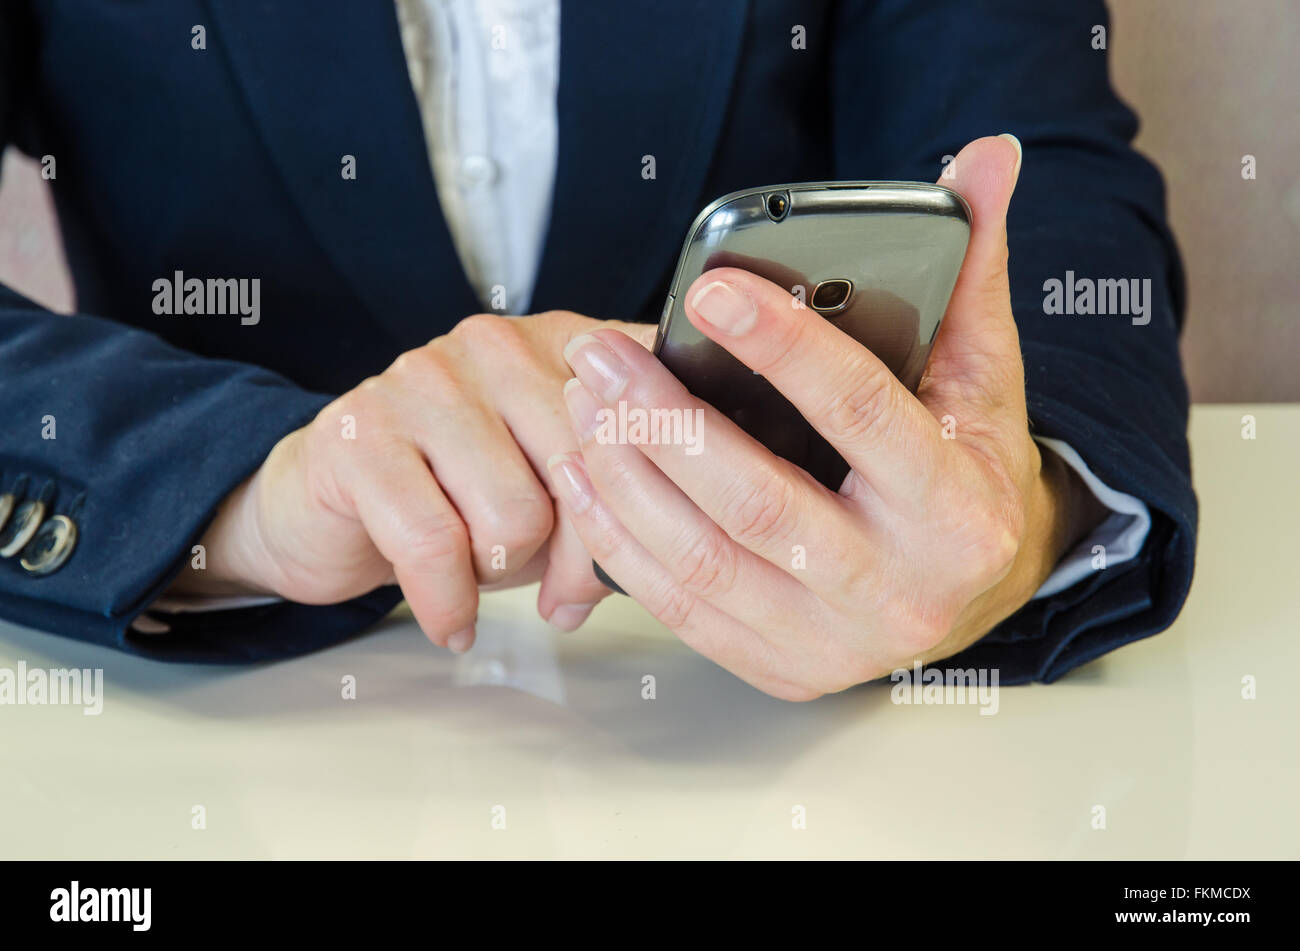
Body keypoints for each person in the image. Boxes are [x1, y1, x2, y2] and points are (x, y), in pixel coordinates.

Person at [0, 1, 1195, 698]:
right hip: (222, 705)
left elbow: (1040, 177)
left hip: (784, 720)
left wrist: (1014, 512)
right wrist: (235, 493)